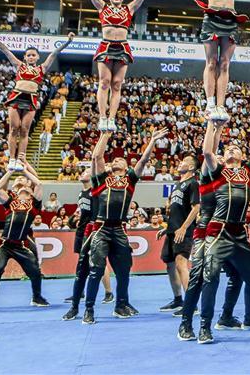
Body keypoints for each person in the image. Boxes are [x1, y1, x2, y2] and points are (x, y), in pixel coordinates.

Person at [196, 106, 250, 344]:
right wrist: (212, 124)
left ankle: (249, 317)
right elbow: (208, 152)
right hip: (217, 232)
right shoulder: (218, 171)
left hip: (239, 234)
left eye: (236, 148)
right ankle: (205, 327)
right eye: (228, 147)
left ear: (242, 156)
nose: (231, 148)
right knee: (211, 278)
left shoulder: (249, 171)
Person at [82, 128, 167, 324]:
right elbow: (97, 156)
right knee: (96, 270)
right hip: (101, 229)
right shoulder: (101, 180)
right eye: (115, 160)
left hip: (119, 229)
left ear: (127, 165)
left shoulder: (129, 180)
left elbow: (144, 161)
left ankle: (121, 305)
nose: (117, 160)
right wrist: (105, 133)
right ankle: (89, 309)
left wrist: (152, 140)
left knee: (123, 270)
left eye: (121, 160)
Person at [68, 0, 163, 131]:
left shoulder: (129, 9)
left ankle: (111, 118)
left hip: (122, 47)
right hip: (106, 46)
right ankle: (102, 117)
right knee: (104, 82)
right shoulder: (102, 7)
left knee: (117, 84)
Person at [176, 127, 244, 341]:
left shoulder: (233, 179)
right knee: (201, 278)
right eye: (221, 154)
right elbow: (209, 151)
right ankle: (191, 325)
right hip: (206, 232)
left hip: (228, 234)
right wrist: (215, 127)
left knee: (237, 275)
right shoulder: (208, 174)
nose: (223, 156)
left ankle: (225, 316)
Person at [0, 29, 74, 171]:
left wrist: (68, 42)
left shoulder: (42, 68)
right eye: (29, 55)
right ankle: (12, 159)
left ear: (38, 57)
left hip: (31, 98)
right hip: (16, 96)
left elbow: (54, 53)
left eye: (34, 55)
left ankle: (21, 158)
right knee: (14, 128)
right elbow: (5, 50)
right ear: (25, 57)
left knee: (25, 130)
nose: (31, 57)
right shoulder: (19, 65)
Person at [0, 157, 49, 312]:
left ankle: (37, 297)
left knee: (35, 272)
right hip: (4, 244)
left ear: (31, 194)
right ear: (17, 194)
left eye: (26, 190)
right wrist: (10, 171)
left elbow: (39, 184)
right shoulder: (11, 203)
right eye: (21, 190)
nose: (24, 190)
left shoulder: (34, 206)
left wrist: (24, 170)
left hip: (21, 245)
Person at [62, 166, 113, 320]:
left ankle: (108, 292)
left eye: (86, 172)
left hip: (94, 230)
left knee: (98, 263)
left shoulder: (95, 190)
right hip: (82, 230)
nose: (82, 173)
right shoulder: (81, 192)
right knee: (82, 266)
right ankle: (78, 298)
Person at [158, 154, 201, 313]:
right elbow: (176, 211)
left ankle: (191, 304)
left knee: (181, 264)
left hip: (184, 232)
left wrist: (183, 228)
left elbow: (196, 208)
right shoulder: (177, 184)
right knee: (170, 266)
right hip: (172, 231)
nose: (180, 163)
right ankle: (178, 300)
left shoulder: (193, 184)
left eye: (184, 162)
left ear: (191, 167)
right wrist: (166, 228)